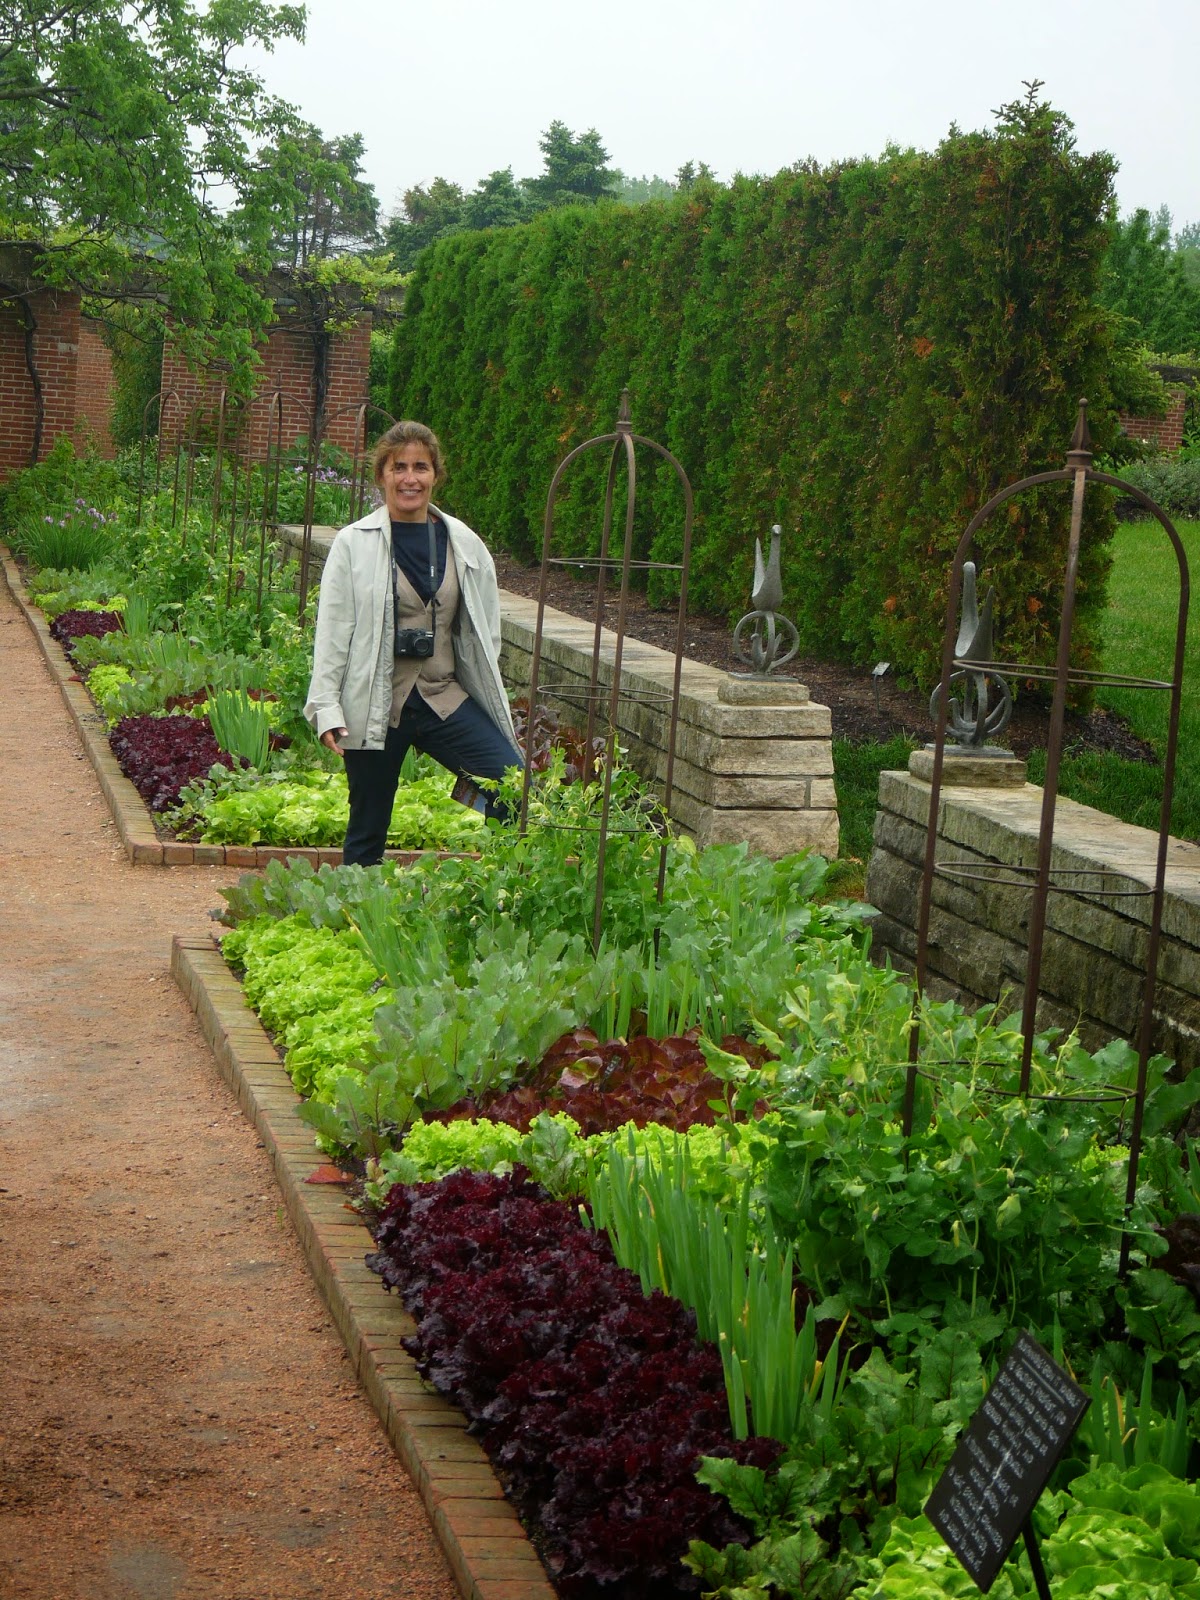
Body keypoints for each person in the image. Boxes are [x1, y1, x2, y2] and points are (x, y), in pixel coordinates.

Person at [304, 420, 523, 866]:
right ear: (382, 475)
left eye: (420, 467)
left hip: (443, 696)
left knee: (513, 789)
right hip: (376, 703)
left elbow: (485, 630)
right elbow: (333, 631)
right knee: (367, 830)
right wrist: (326, 708)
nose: (409, 478)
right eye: (398, 467)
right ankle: (360, 922)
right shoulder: (353, 544)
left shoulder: (464, 544)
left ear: (435, 475)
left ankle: (493, 890)